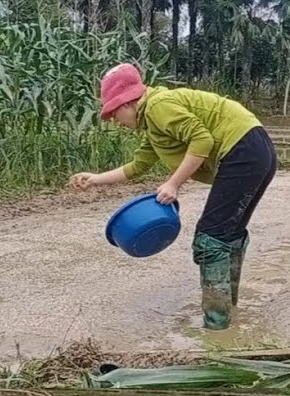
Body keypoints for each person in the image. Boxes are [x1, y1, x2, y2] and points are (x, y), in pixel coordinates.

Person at [69, 63, 277, 331]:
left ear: (127, 103)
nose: (115, 121)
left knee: (210, 239)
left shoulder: (158, 106)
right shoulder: (153, 123)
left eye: (113, 113)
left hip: (242, 149)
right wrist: (94, 179)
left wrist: (173, 183)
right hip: (255, 149)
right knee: (227, 234)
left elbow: (202, 140)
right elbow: (137, 167)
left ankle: (217, 329)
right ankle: (228, 316)